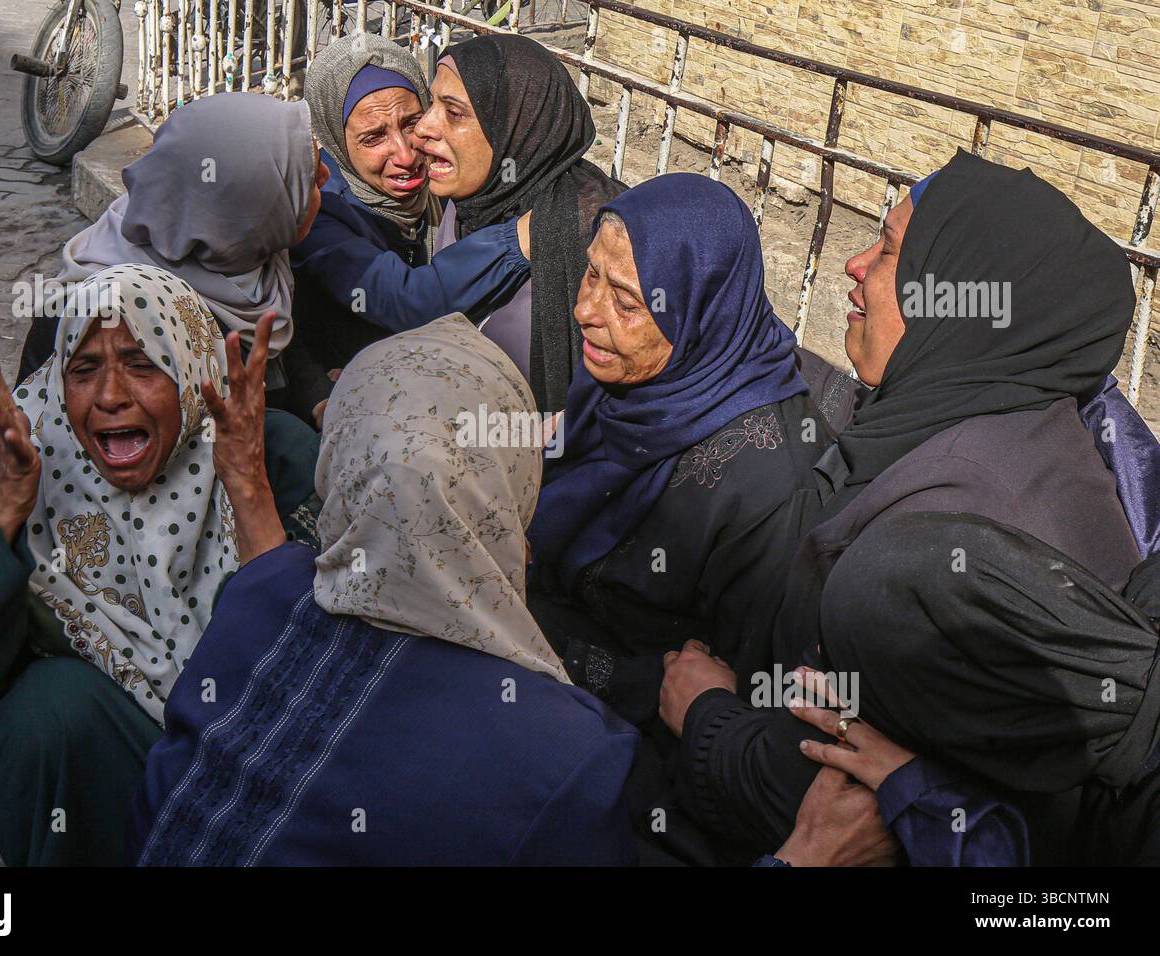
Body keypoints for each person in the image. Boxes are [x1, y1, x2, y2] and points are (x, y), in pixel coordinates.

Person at [654, 149, 1147, 862]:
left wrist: (705, 716)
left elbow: (843, 810)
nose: (854, 263)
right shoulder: (1022, 433)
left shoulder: (946, 532)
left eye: (886, 250)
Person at [132, 314, 639, 866]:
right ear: (511, 484)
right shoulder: (570, 760)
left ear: (341, 463)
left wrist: (247, 479)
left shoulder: (259, 600)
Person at [0, 265, 320, 865]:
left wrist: (248, 491)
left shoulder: (272, 453)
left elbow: (330, 675)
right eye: (83, 369)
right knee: (46, 711)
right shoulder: (32, 466)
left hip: (273, 776)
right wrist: (3, 514)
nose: (110, 396)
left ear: (191, 369)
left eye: (142, 363)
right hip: (128, 778)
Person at [525, 173, 828, 728]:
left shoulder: (769, 493)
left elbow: (748, 698)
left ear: (697, 311)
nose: (586, 310)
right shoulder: (626, 375)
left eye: (626, 301)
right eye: (591, 274)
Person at [14, 93, 326, 418]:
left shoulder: (252, 255)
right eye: (312, 180)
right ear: (261, 204)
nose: (326, 181)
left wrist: (318, 400)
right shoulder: (92, 313)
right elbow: (35, 435)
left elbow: (287, 348)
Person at [291, 32, 534, 424]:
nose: (405, 155)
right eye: (373, 137)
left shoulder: (441, 179)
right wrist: (516, 241)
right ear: (336, 141)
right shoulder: (321, 209)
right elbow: (407, 302)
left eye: (411, 122)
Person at [415, 33, 626, 412]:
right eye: (432, 103)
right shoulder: (467, 202)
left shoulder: (592, 234)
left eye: (454, 112)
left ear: (516, 125)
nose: (423, 128)